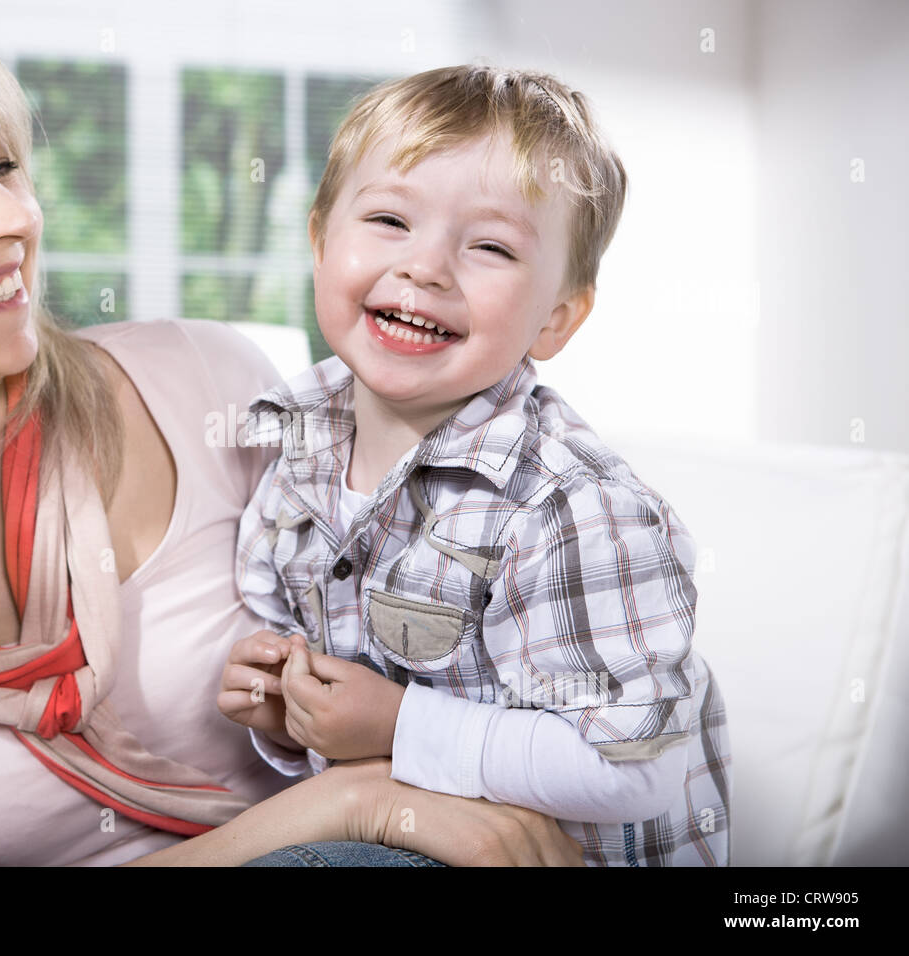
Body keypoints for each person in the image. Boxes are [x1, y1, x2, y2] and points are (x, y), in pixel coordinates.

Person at [0, 3, 586, 866]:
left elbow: (452, 675)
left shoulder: (210, 382)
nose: (14, 213)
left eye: (0, 162)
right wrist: (350, 806)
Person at [222, 66, 731, 866]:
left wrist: (398, 725)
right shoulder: (292, 452)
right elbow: (328, 722)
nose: (426, 267)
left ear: (555, 318)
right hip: (393, 829)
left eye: (490, 246)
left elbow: (634, 769)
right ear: (320, 242)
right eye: (390, 219)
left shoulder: (573, 505)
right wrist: (289, 711)